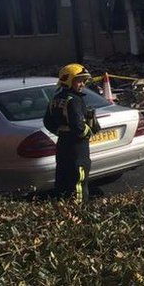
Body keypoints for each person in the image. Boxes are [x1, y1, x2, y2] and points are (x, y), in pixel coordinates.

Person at [44, 64, 99, 204]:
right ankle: (80, 210)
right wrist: (89, 132)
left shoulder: (55, 98)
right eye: (79, 80)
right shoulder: (74, 100)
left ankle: (63, 209)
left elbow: (47, 122)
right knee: (78, 180)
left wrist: (60, 131)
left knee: (63, 179)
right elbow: (78, 126)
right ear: (68, 81)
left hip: (63, 144)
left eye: (84, 81)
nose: (82, 84)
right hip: (77, 148)